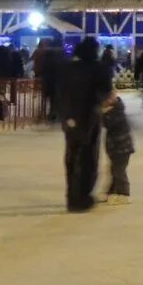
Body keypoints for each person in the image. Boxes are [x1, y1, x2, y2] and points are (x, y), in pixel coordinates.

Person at [56, 37, 113, 212]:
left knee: (72, 156)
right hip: (89, 116)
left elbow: (59, 91)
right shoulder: (99, 68)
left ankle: (72, 196)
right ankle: (83, 196)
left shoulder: (67, 69)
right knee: (88, 157)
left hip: (70, 117)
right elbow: (105, 91)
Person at [101, 89, 135, 204]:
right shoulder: (114, 110)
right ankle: (111, 193)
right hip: (116, 148)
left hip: (122, 149)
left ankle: (124, 193)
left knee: (119, 172)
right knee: (113, 170)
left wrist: (101, 114)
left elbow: (107, 123)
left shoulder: (116, 112)